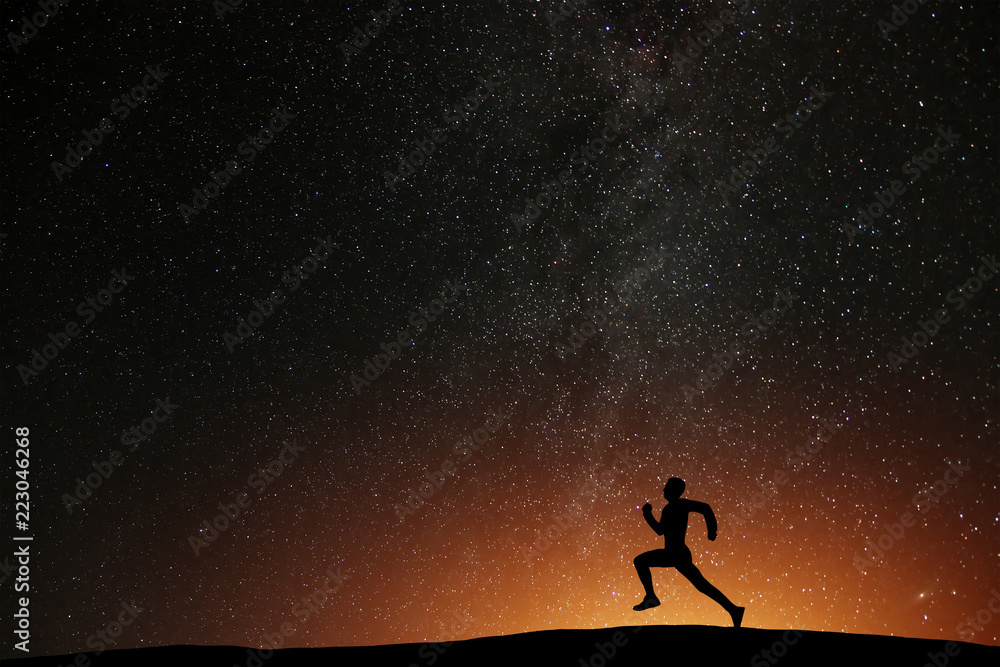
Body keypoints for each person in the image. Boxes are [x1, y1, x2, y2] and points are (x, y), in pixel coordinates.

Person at [632, 477, 744, 628]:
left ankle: (651, 596)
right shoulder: (668, 508)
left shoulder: (681, 504)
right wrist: (648, 515)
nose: (663, 490)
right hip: (675, 553)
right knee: (702, 585)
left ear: (672, 490)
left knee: (640, 561)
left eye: (666, 487)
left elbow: (705, 508)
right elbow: (660, 531)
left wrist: (712, 530)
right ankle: (734, 610)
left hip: (676, 553)